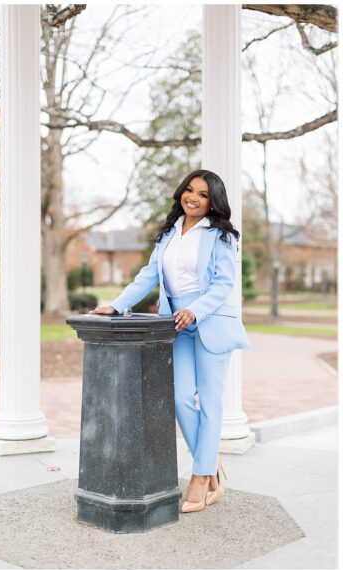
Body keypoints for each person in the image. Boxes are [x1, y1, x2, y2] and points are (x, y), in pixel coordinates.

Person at [92, 169, 250, 513]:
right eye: (189, 190)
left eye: (203, 194)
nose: (193, 197)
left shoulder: (221, 236)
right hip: (175, 325)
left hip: (210, 320)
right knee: (179, 398)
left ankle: (202, 475)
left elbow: (223, 285)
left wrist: (196, 309)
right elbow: (148, 275)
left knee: (210, 402)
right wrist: (117, 305)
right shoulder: (169, 233)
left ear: (213, 202)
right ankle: (211, 464)